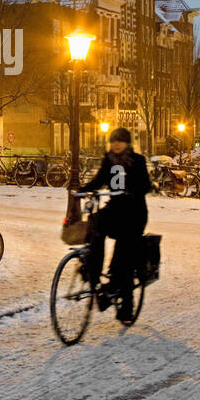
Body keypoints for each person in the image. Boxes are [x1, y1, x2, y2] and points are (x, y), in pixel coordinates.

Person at [79, 127, 150, 322]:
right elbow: (99, 180)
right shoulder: (108, 160)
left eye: (119, 141)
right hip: (115, 209)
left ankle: (126, 305)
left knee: (123, 259)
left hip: (134, 213)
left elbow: (146, 185)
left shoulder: (137, 161)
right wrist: (83, 189)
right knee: (95, 226)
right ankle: (94, 268)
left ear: (127, 143)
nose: (116, 144)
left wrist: (132, 191)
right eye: (113, 141)